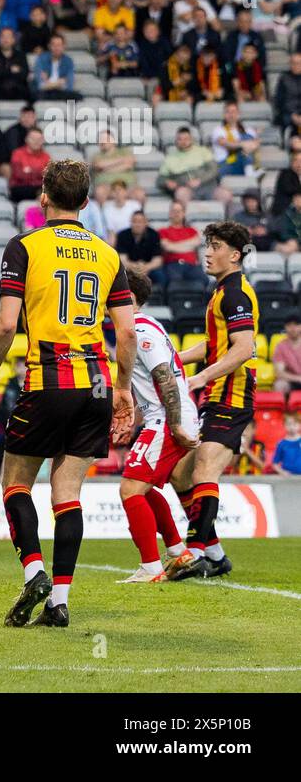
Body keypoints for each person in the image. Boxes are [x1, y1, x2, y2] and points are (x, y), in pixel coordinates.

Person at [0, 159, 136, 627]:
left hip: (48, 377)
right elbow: (125, 333)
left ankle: (34, 572)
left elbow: (7, 322)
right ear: (86, 201)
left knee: (15, 483)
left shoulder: (24, 245)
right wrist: (123, 388)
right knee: (67, 494)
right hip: (97, 384)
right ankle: (59, 602)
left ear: (43, 196)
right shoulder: (108, 254)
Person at [170, 222, 258, 581]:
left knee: (204, 468)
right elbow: (214, 344)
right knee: (179, 475)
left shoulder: (235, 293)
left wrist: (202, 376)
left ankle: (192, 553)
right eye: (207, 245)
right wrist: (174, 358)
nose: (207, 252)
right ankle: (216, 556)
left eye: (215, 246)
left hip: (232, 394)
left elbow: (244, 348)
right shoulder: (222, 293)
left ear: (234, 255)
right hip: (216, 396)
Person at [115, 268, 199, 583]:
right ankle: (179, 553)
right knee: (143, 488)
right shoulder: (148, 326)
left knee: (130, 490)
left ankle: (151, 568)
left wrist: (175, 424)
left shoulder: (141, 330)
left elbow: (164, 376)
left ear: (127, 296)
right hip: (162, 416)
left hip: (168, 418)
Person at [273, 314, 301, 393]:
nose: (293, 328)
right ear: (285, 327)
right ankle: (282, 405)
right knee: (279, 385)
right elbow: (280, 373)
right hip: (290, 381)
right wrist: (298, 378)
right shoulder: (281, 346)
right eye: (289, 325)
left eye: (296, 325)